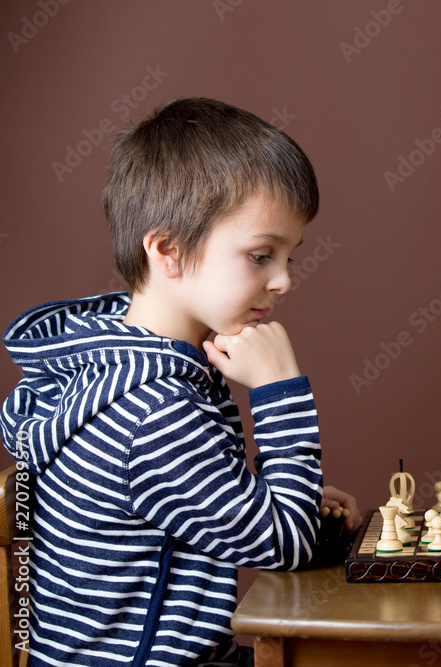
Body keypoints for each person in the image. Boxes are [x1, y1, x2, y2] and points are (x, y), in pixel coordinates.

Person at [1, 98, 359, 666]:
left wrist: (288, 505)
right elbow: (281, 546)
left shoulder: (119, 369)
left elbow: (239, 523)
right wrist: (279, 393)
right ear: (168, 250)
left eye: (289, 256)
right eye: (261, 255)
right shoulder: (152, 408)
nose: (285, 280)